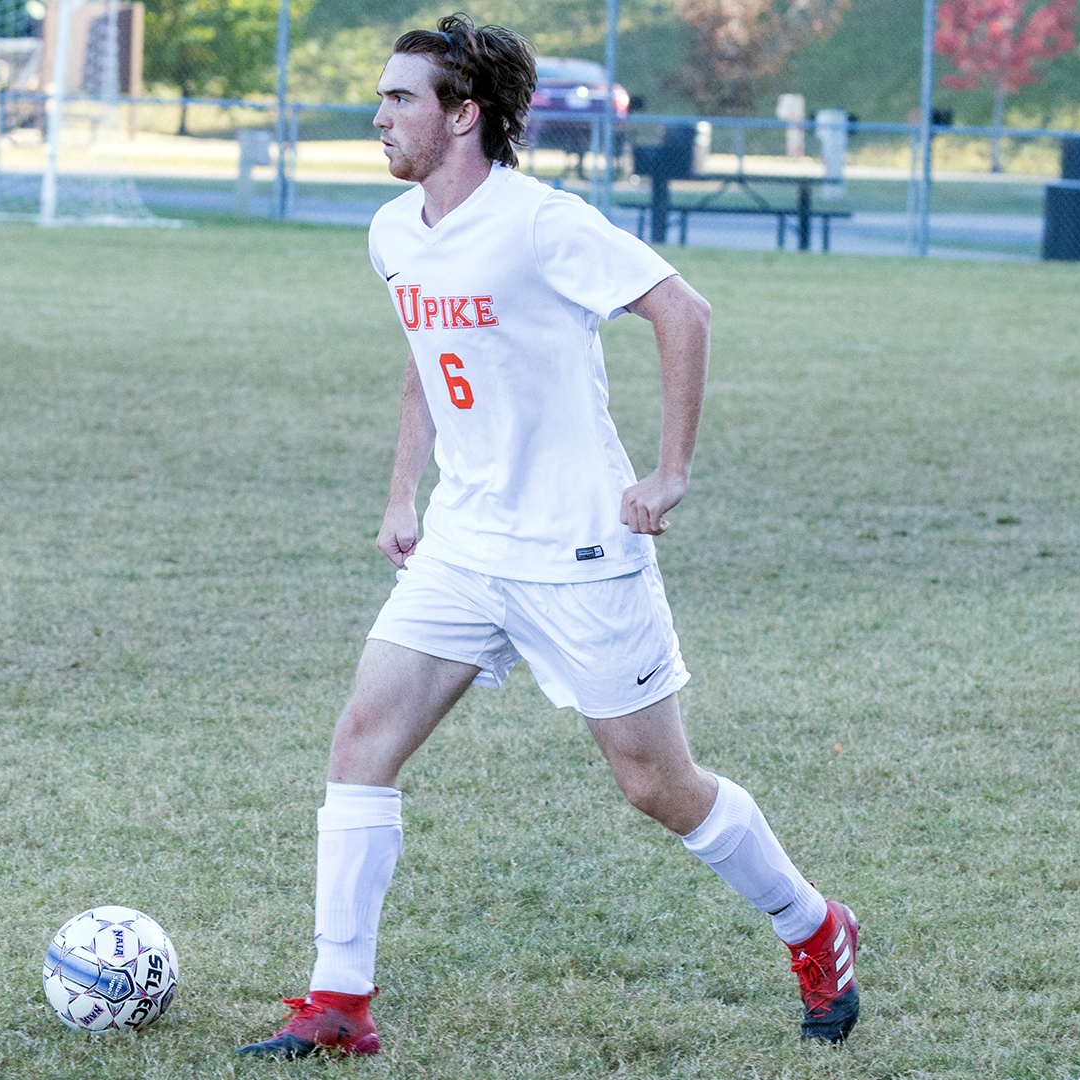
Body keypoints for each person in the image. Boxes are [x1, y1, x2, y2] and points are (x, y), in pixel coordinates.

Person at [235, 13, 860, 1059]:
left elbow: (683, 311)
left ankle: (814, 925)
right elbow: (428, 362)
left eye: (401, 98)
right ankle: (337, 1003)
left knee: (656, 784)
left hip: (577, 547)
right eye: (382, 95)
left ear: (463, 114)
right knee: (361, 743)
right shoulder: (395, 231)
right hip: (467, 543)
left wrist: (670, 472)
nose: (379, 114)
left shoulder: (542, 222)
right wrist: (404, 495)